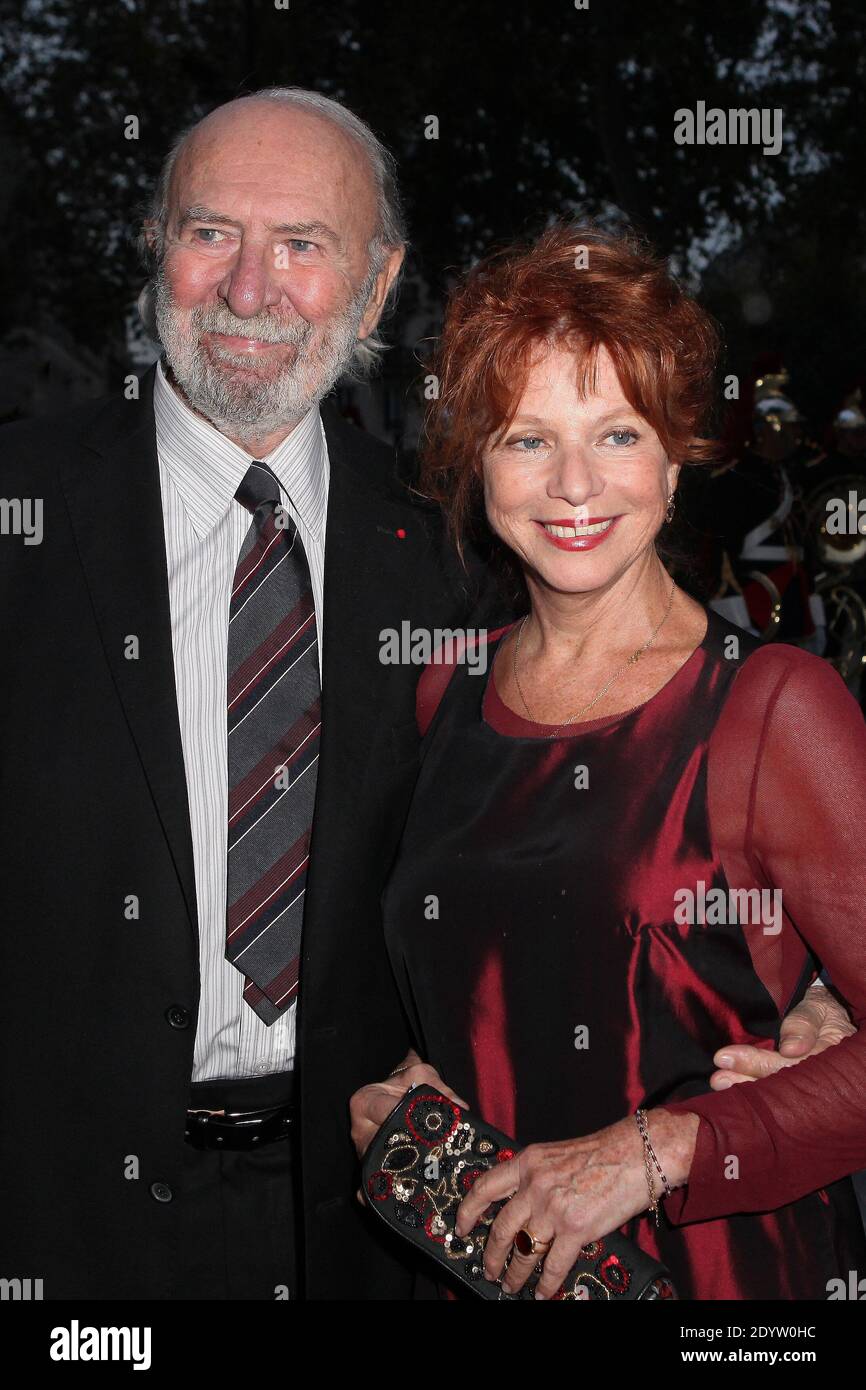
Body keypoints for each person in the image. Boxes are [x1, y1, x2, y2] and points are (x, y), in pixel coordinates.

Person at [350, 224, 866, 1300]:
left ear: (675, 456)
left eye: (616, 433)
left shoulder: (771, 707)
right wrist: (411, 1082)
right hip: (473, 1272)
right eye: (526, 439)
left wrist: (660, 1148)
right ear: (474, 465)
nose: (572, 483)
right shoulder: (444, 689)